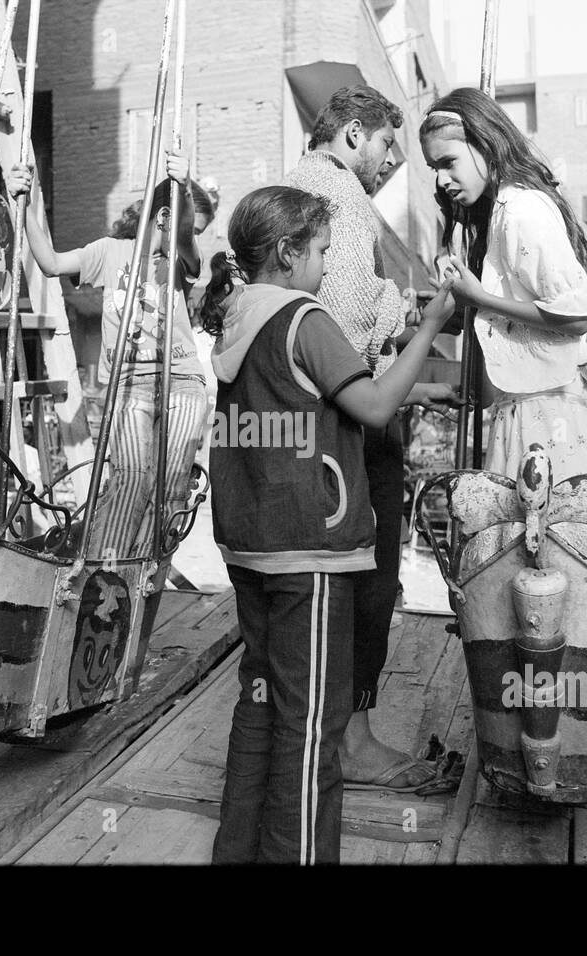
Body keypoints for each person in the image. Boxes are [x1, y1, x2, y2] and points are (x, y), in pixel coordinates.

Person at [201, 185, 456, 864]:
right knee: (314, 725)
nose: (322, 265)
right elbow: (372, 407)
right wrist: (429, 327)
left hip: (252, 545)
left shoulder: (238, 315)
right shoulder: (302, 318)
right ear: (287, 253)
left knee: (261, 705)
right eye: (318, 251)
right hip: (310, 551)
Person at [286, 85, 457, 792]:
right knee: (369, 580)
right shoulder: (341, 199)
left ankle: (330, 731)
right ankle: (352, 740)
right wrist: (412, 312)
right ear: (353, 134)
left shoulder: (295, 182)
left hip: (307, 426)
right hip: (349, 429)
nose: (393, 161)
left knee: (333, 583)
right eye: (389, 144)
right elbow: (351, 318)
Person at [418, 87, 587, 570]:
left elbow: (573, 318)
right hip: (531, 410)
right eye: (434, 170)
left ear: (484, 143)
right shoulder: (502, 212)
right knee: (537, 559)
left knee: (559, 557)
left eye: (448, 162)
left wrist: (478, 297)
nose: (442, 180)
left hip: (552, 415)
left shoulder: (523, 211)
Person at [6, 151, 216, 558]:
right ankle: (105, 572)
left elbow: (187, 237)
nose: (193, 234)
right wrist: (26, 204)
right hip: (129, 382)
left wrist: (185, 189)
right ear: (162, 219)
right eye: (188, 224)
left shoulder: (178, 261)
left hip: (182, 380)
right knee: (132, 478)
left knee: (171, 485)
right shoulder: (109, 252)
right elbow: (49, 263)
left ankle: (145, 570)